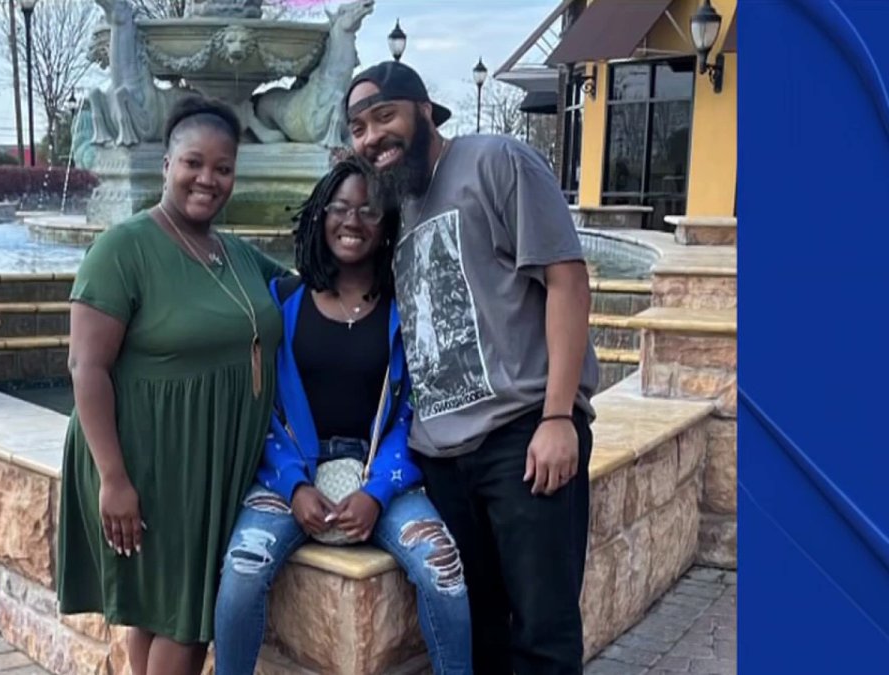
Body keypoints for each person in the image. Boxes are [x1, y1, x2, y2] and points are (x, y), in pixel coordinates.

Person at [344, 61, 599, 675]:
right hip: (442, 459)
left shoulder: (495, 161)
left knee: (542, 633)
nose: (372, 135)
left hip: (522, 438)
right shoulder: (394, 207)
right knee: (476, 633)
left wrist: (558, 416)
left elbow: (567, 280)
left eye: (385, 116)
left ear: (425, 111)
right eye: (357, 127)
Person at [56, 94, 289, 675]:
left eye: (223, 168)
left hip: (207, 463)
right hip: (143, 461)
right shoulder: (122, 248)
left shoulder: (233, 254)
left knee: (160, 614)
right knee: (186, 624)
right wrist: (114, 480)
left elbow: (311, 288)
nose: (207, 179)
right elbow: (86, 367)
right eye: (193, 163)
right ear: (166, 164)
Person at [212, 157, 473, 675]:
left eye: (369, 211)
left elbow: (418, 412)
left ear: (387, 225)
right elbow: (263, 407)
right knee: (242, 573)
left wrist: (376, 493)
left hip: (385, 477)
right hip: (290, 477)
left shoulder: (408, 309)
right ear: (320, 215)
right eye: (340, 207)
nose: (352, 221)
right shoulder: (282, 301)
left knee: (443, 570)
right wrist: (293, 487)